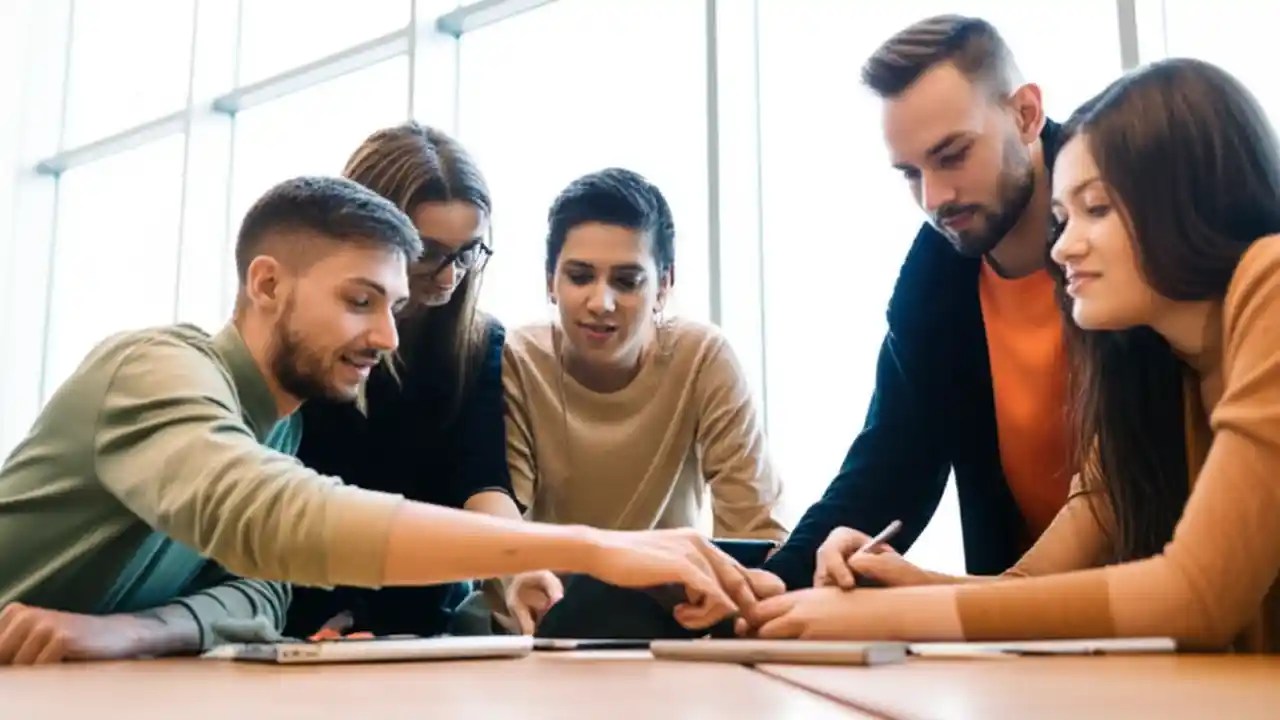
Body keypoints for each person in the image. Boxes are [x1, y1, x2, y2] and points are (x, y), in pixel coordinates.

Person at [0, 175, 761, 666]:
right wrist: (591, 547)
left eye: (393, 308)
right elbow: (269, 516)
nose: (389, 337)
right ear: (266, 284)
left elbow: (262, 594)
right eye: (359, 300)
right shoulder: (157, 368)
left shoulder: (284, 430)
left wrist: (126, 632)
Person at [744, 57, 1280, 653]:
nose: (1065, 246)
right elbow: (1026, 583)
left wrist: (907, 616)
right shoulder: (1150, 370)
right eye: (1062, 217)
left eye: (1096, 208)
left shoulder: (1273, 281)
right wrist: (902, 590)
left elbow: (1196, 595)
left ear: (1191, 193)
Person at [759, 14, 1074, 591]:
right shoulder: (932, 284)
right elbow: (889, 465)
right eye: (910, 173)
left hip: (1180, 623)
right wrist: (770, 587)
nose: (934, 197)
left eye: (952, 155)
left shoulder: (1134, 222)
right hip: (1022, 639)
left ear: (1026, 114)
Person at [282, 123, 558, 639]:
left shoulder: (475, 343)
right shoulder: (307, 342)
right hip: (302, 612)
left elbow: (481, 480)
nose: (449, 276)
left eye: (468, 253)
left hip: (420, 620)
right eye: (428, 252)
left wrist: (520, 569)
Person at [501, 167, 788, 631]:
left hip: (672, 626)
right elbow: (501, 530)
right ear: (550, 280)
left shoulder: (701, 358)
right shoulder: (516, 360)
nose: (601, 302)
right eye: (580, 276)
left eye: (627, 280)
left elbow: (756, 531)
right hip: (537, 629)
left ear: (664, 284)